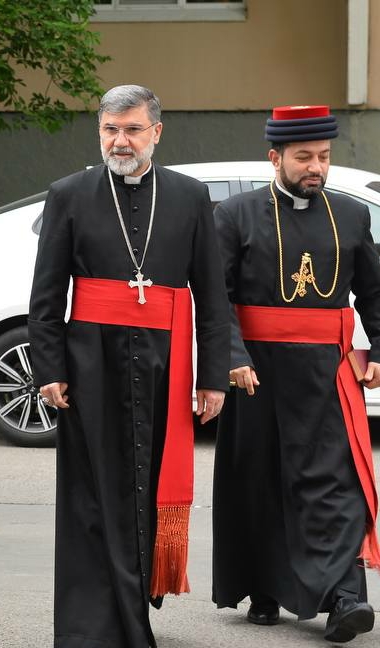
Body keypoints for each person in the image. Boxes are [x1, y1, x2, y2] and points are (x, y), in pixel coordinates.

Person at [28, 84, 229, 648]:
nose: (120, 141)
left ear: (156, 132)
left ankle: (133, 609)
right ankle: (90, 626)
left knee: (144, 491)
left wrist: (212, 376)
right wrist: (50, 368)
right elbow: (46, 296)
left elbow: (212, 298)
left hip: (165, 367)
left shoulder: (190, 197)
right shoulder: (69, 194)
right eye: (110, 130)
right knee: (91, 494)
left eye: (132, 129)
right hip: (89, 364)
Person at [211, 105, 380, 643]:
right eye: (304, 157)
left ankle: (346, 598)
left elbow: (374, 292)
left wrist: (378, 348)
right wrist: (232, 356)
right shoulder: (235, 214)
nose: (316, 167)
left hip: (325, 374)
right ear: (275, 157)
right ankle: (264, 589)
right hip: (254, 373)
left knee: (333, 485)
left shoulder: (352, 216)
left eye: (324, 158)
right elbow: (217, 298)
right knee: (258, 482)